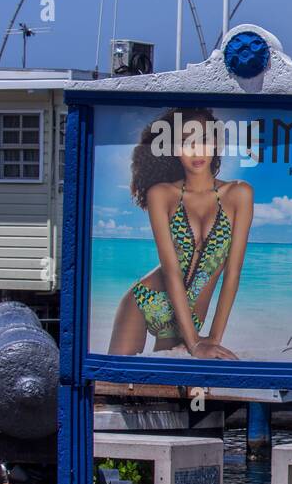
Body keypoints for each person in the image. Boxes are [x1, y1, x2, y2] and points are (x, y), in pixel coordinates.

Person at [108, 107, 253, 359]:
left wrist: (213, 338)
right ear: (174, 149)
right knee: (114, 385)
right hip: (145, 301)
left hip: (191, 315)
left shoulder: (239, 194)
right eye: (186, 142)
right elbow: (171, 270)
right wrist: (195, 343)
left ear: (216, 143)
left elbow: (233, 272)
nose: (197, 151)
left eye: (204, 140)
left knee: (172, 392)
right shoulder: (162, 195)